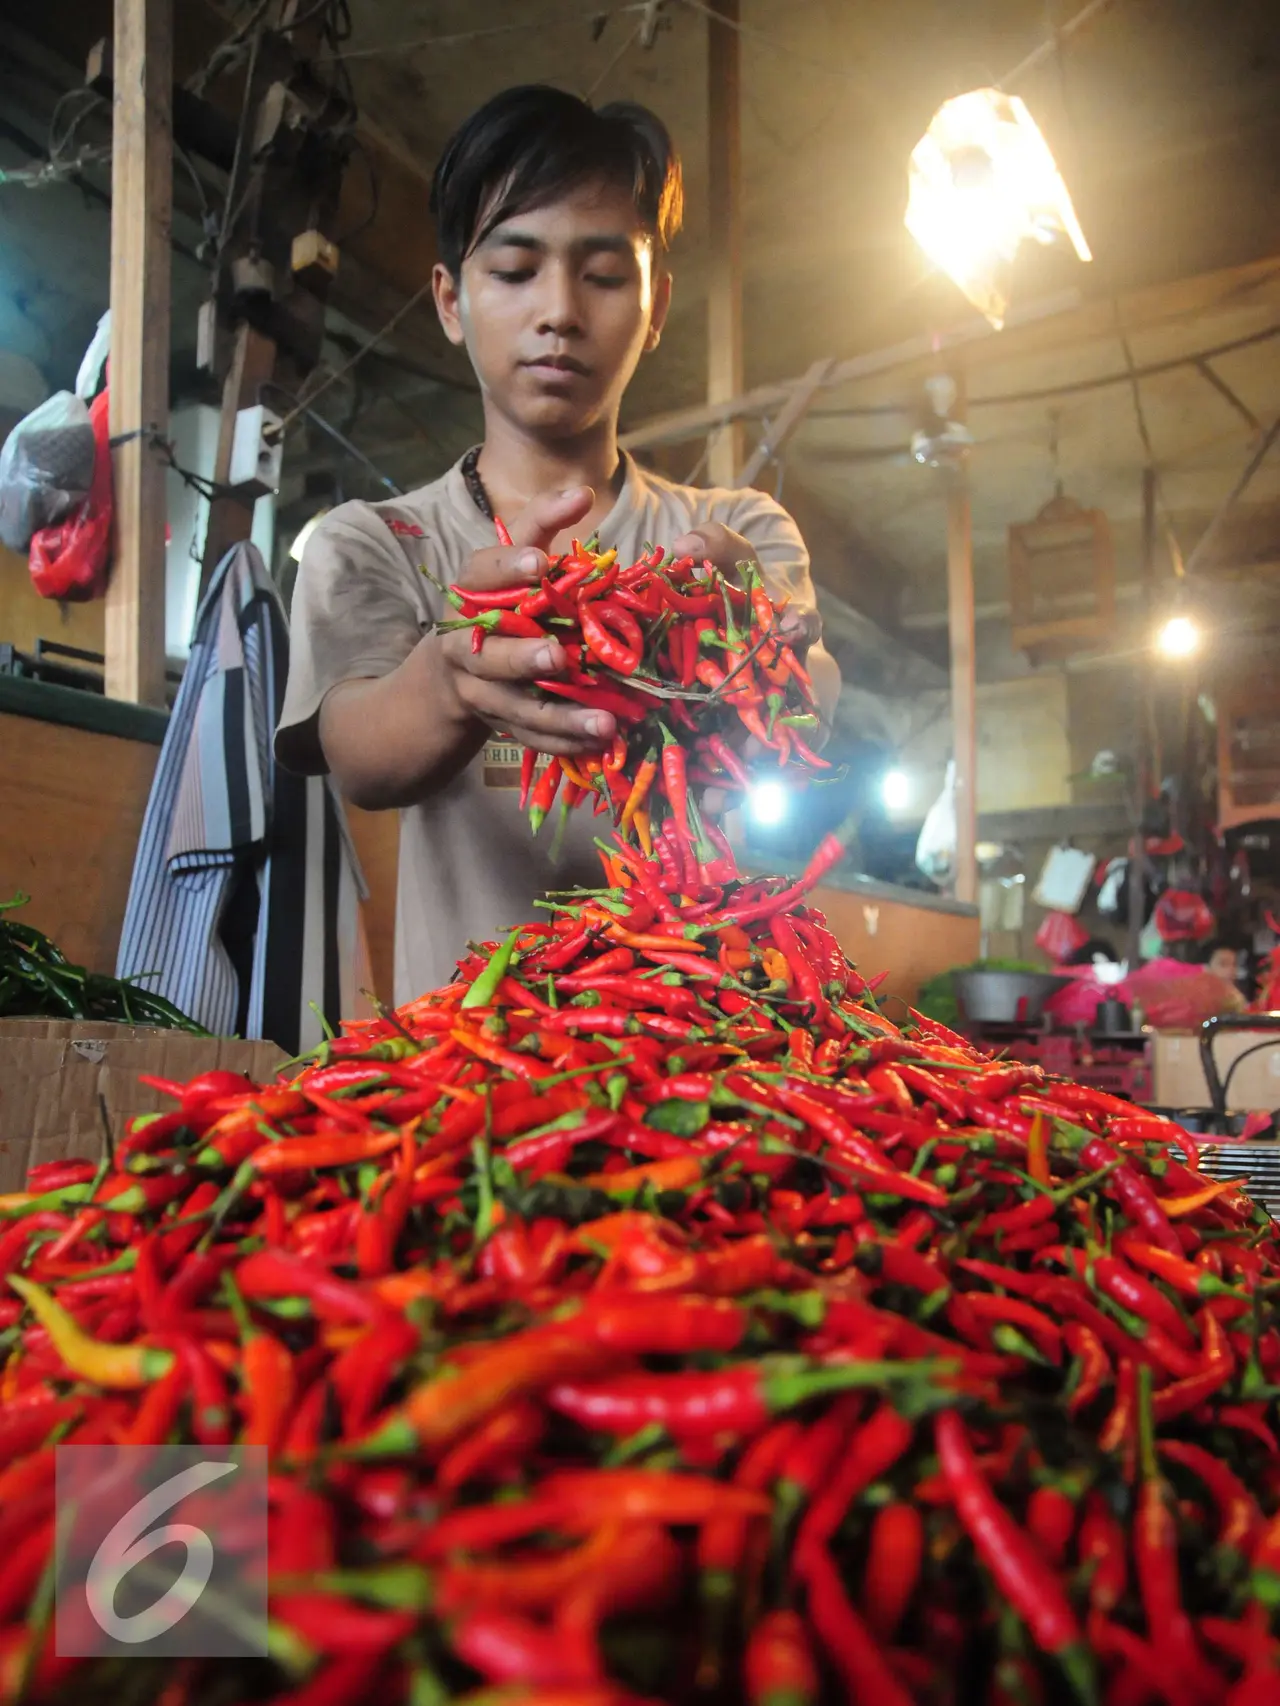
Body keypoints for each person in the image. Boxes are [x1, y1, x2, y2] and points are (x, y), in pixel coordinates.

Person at [277, 85, 841, 1004]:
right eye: (514, 271)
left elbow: (808, 727)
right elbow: (362, 761)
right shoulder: (380, 543)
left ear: (656, 308)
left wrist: (754, 650)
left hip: (699, 1039)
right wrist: (455, 675)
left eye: (605, 275)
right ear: (451, 301)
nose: (561, 311)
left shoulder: (739, 534)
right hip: (470, 1057)